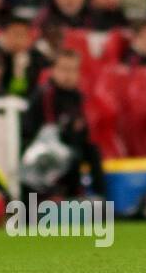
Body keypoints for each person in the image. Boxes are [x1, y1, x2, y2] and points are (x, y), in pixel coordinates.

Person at [20, 48, 104, 196]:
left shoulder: (78, 97)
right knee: (70, 153)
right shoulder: (45, 95)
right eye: (64, 69)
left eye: (73, 70)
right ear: (53, 70)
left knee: (92, 150)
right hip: (42, 154)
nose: (68, 75)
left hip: (68, 149)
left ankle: (100, 197)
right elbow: (33, 133)